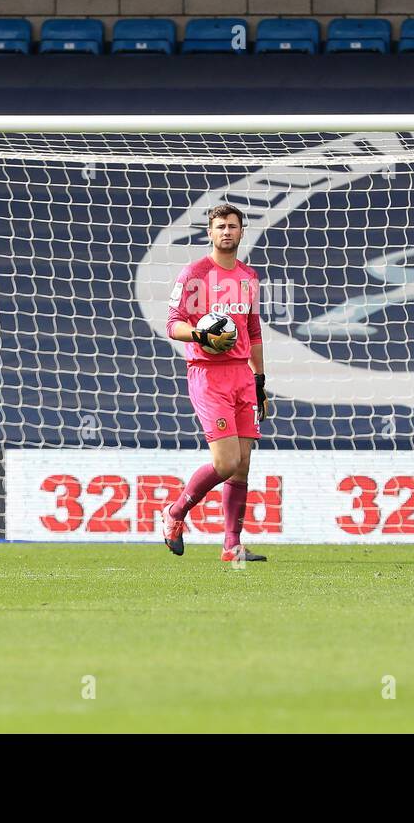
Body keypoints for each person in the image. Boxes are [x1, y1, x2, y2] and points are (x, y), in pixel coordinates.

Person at [163, 203, 269, 562]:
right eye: (220, 226)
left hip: (242, 374)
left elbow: (252, 331)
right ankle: (175, 513)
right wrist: (198, 334)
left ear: (242, 232)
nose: (227, 231)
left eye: (233, 226)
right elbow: (172, 323)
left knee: (242, 465)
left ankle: (231, 545)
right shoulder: (195, 274)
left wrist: (259, 380)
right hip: (209, 375)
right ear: (209, 232)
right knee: (225, 462)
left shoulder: (248, 277)